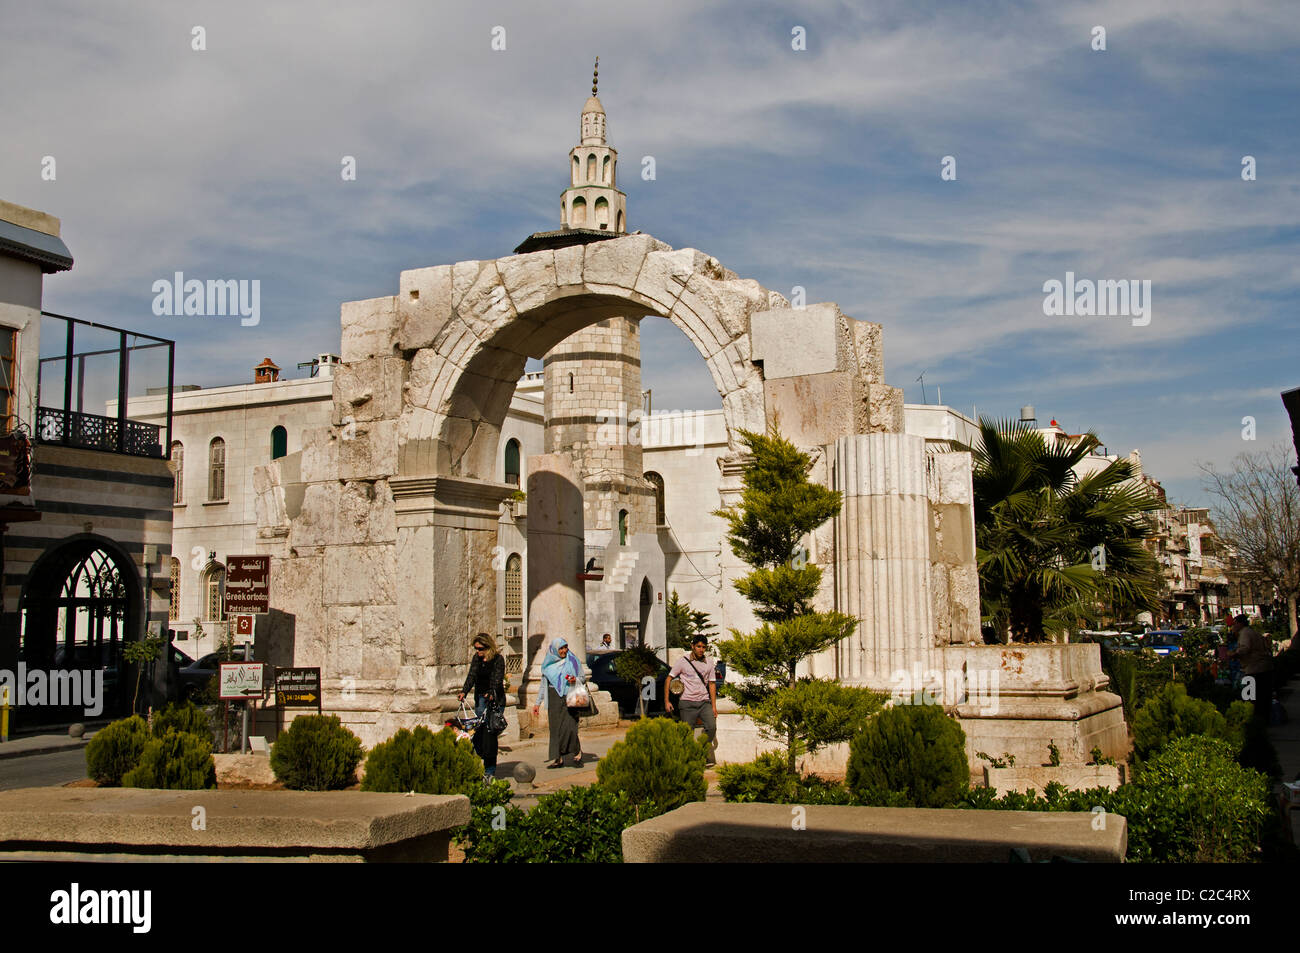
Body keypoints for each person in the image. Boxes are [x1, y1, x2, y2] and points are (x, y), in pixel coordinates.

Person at [458, 633, 506, 779]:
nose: (478, 651)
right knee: (479, 733)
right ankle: (481, 760)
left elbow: (497, 679)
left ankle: (489, 770)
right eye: (476, 648)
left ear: (488, 647)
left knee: (490, 734)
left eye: (481, 649)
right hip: (480, 699)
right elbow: (472, 676)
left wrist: (491, 692)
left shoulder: (498, 659)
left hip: (494, 701)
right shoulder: (477, 659)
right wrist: (464, 691)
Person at [531, 637, 584, 768]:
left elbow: (582, 678)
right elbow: (543, 686)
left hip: (570, 696)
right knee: (555, 729)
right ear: (555, 650)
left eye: (565, 647)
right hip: (553, 698)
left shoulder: (573, 661)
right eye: (561, 648)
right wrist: (537, 703)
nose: (564, 650)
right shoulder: (547, 665)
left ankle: (576, 752)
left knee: (570, 727)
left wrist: (575, 680)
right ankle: (558, 758)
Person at [665, 633, 717, 765]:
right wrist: (667, 701)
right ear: (692, 646)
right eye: (698, 646)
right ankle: (686, 760)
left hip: (704, 702)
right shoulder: (682, 662)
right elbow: (669, 679)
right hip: (687, 703)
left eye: (704, 647)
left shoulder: (709, 663)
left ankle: (700, 751)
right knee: (687, 733)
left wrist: (714, 706)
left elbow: (712, 684)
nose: (701, 649)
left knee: (711, 727)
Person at [1229, 614, 1273, 726]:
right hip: (1262, 668)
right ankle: (1262, 721)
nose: (1233, 626)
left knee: (1250, 699)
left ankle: (1253, 723)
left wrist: (1233, 654)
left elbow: (1244, 649)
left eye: (1234, 624)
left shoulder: (1245, 633)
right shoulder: (1251, 632)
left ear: (1240, 624)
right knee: (1262, 699)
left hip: (1253, 670)